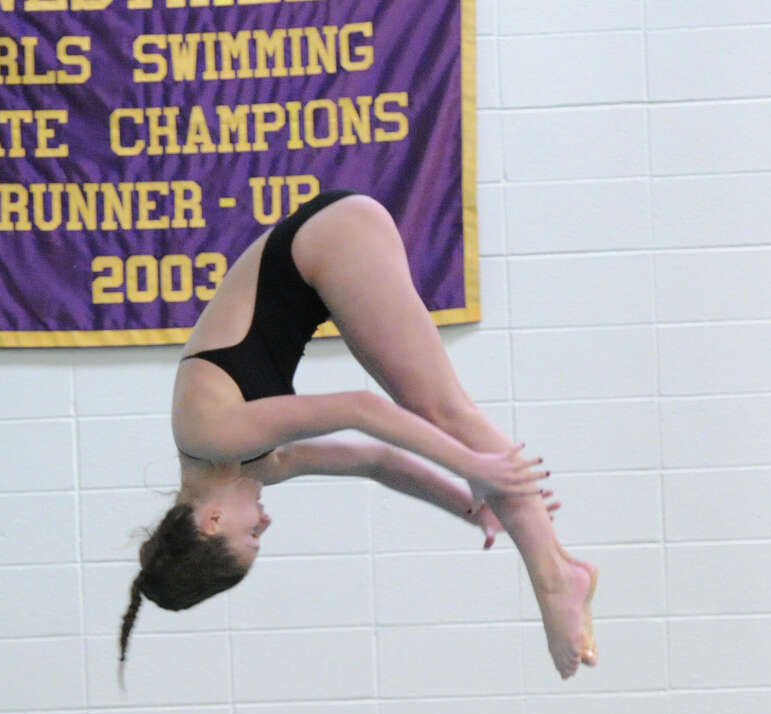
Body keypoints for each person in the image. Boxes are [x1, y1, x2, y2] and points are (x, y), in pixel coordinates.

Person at [119, 188, 597, 679]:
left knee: (440, 411)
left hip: (329, 237)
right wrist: (471, 508)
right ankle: (559, 568)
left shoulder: (211, 433)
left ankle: (557, 580)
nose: (265, 522)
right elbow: (374, 461)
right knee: (437, 412)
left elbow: (359, 408)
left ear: (212, 521)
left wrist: (472, 466)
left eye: (252, 534)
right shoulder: (249, 463)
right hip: (324, 258)